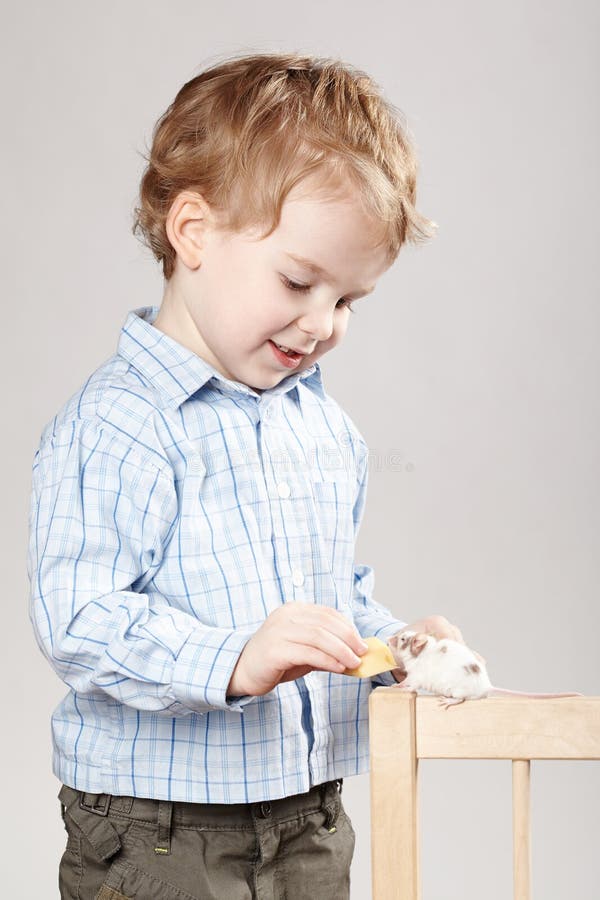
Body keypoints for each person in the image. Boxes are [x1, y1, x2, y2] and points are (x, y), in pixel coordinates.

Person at [27, 51, 469, 900]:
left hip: (306, 809)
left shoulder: (322, 427)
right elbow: (77, 617)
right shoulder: (120, 424)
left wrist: (391, 646)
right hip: (161, 824)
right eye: (299, 280)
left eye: (347, 300)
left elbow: (322, 594)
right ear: (192, 232)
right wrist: (232, 657)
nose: (323, 324)